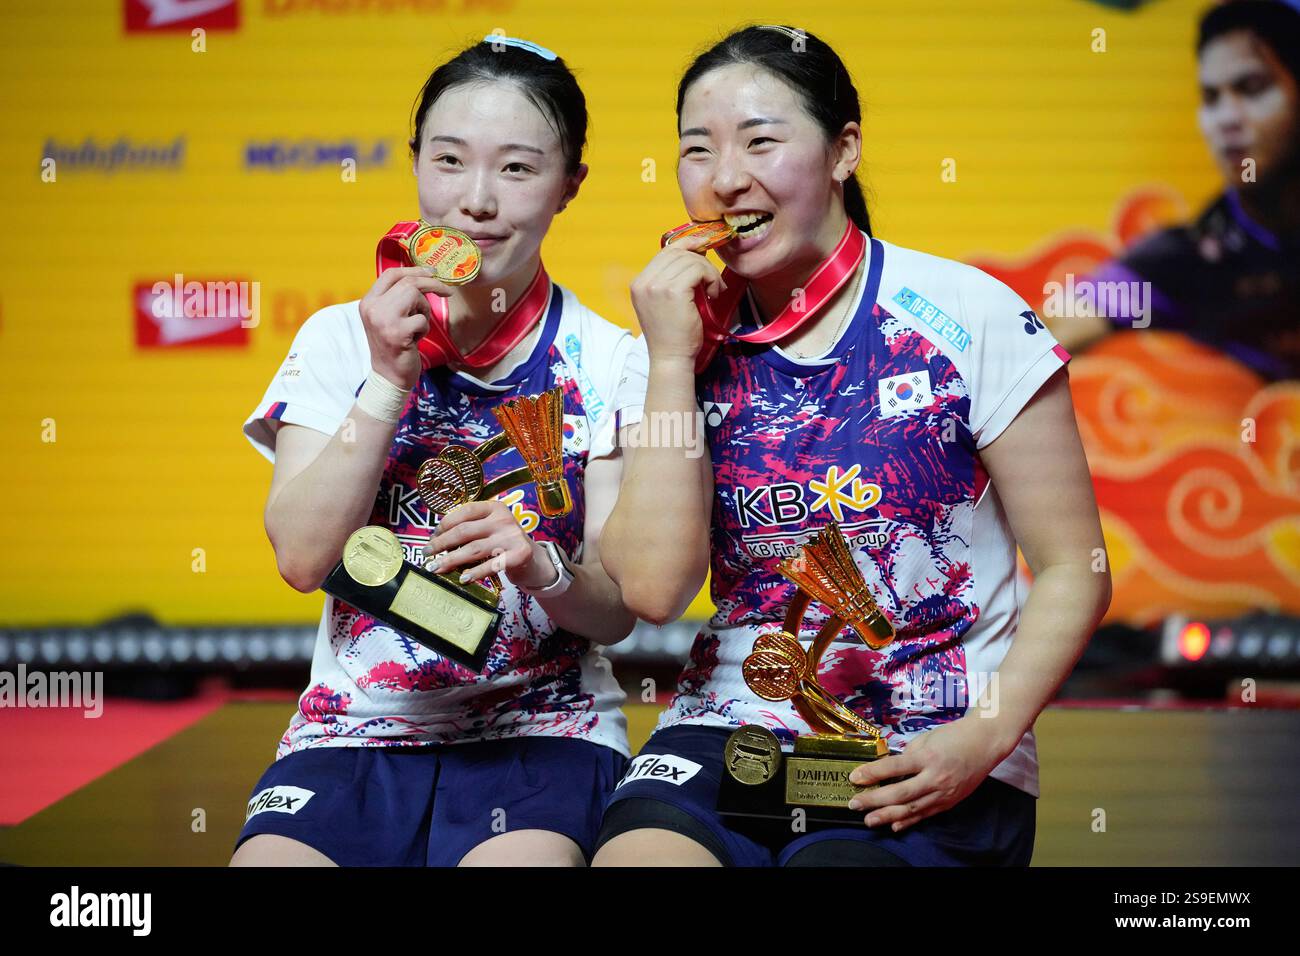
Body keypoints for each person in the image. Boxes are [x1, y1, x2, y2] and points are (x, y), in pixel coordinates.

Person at [594, 24, 1111, 867]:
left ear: (844, 151)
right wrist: (671, 363)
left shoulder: (965, 314)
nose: (725, 178)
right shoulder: (670, 339)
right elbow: (652, 589)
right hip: (727, 734)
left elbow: (1074, 570)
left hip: (927, 746)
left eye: (761, 140)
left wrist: (981, 739)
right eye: (697, 149)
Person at [230, 35, 646, 867]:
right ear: (416, 160)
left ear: (570, 185)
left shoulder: (610, 361)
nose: (476, 202)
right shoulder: (340, 339)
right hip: (351, 731)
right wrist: (388, 380)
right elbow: (303, 558)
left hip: (544, 729)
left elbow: (618, 612)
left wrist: (543, 567)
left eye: (518, 169)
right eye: (449, 161)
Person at [1050, 0, 1300, 381]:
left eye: (1252, 88)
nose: (1227, 118)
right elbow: (1052, 335)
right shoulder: (1185, 259)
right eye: (1211, 98)